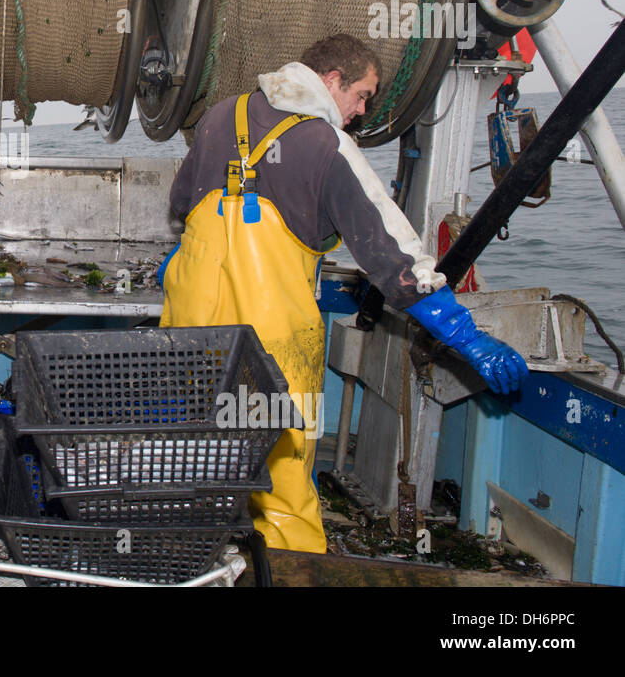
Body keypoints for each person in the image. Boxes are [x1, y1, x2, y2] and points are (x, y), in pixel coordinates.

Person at [159, 33, 529, 554]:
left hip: (188, 335)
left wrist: (181, 265)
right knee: (282, 478)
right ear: (331, 80)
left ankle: (182, 558)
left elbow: (181, 209)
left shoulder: (221, 115)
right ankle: (289, 566)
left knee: (186, 455)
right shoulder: (328, 145)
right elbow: (396, 261)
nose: (359, 111)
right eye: (361, 96)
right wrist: (468, 338)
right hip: (272, 344)